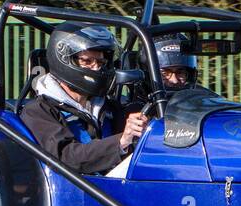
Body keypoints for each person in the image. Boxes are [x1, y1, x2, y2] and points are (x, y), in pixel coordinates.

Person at [19, 23, 148, 176]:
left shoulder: (107, 107)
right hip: (72, 192)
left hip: (115, 189)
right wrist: (121, 141)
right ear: (64, 59)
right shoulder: (38, 111)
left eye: (100, 63)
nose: (96, 68)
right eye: (87, 61)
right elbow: (66, 157)